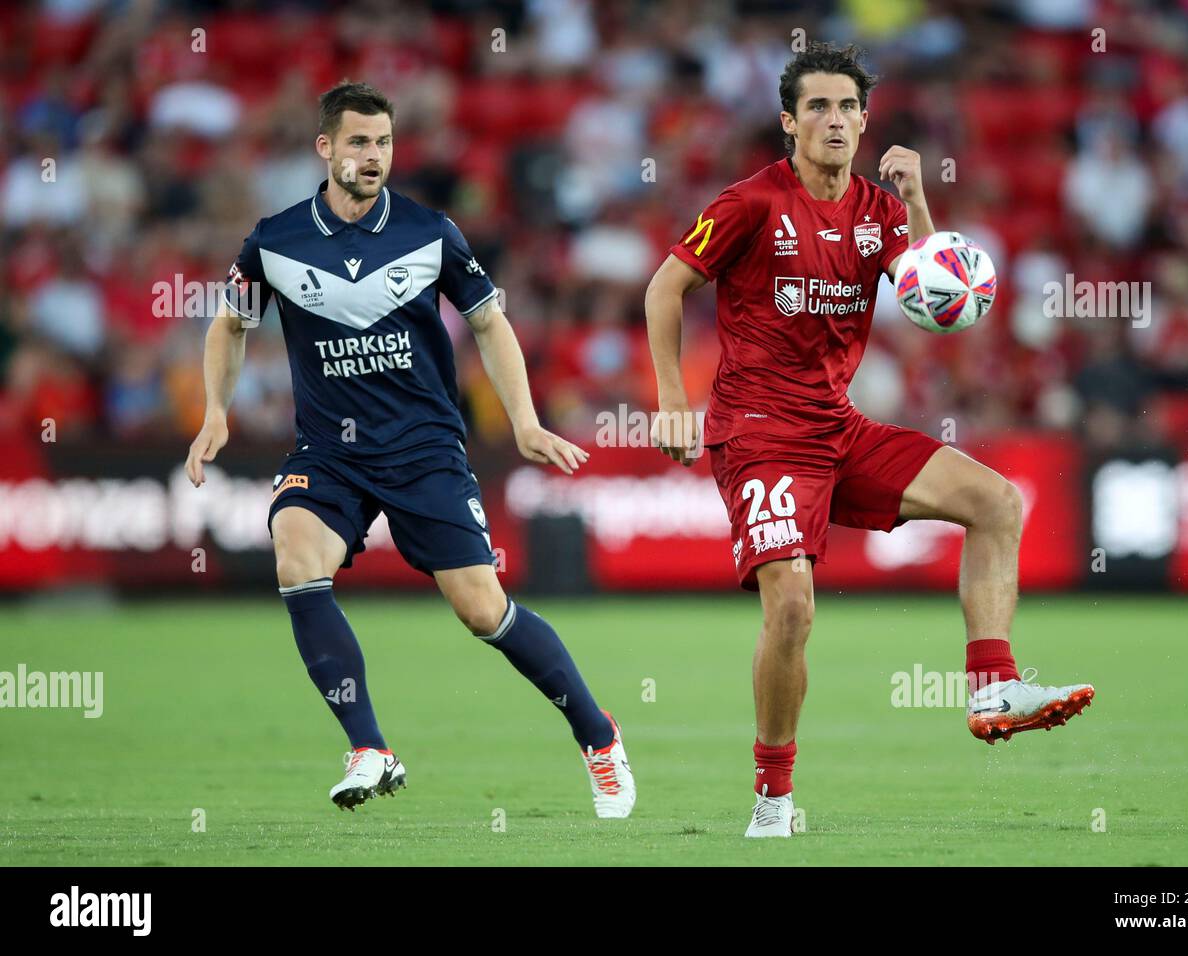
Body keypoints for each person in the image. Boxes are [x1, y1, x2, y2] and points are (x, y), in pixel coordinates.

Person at [644, 44, 1093, 838]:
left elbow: (938, 299)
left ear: (864, 119)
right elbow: (665, 286)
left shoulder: (878, 211)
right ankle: (774, 798)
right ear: (789, 122)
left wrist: (917, 199)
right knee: (792, 608)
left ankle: (991, 686)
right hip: (760, 434)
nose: (835, 120)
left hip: (837, 428)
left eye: (848, 107)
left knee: (995, 503)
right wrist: (673, 400)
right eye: (817, 107)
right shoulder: (750, 204)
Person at [185, 81, 634, 818]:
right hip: (328, 450)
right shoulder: (276, 240)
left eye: (384, 142)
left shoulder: (431, 232)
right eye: (359, 142)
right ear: (326, 147)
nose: (373, 156)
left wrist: (522, 420)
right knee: (296, 558)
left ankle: (597, 733)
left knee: (483, 611)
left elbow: (490, 323)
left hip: (424, 447)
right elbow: (229, 326)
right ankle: (369, 747)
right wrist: (214, 413)